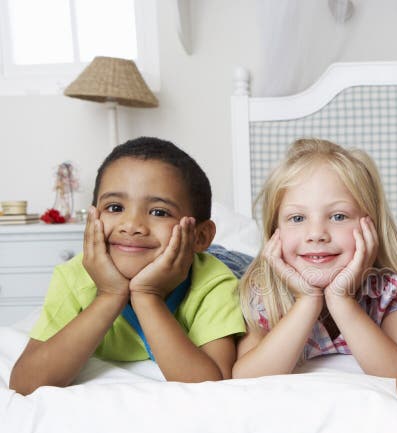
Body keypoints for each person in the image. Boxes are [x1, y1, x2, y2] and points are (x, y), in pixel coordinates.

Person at [10, 137, 245, 394]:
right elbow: (25, 383)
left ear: (200, 237)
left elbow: (213, 384)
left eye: (159, 212)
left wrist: (147, 295)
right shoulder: (74, 276)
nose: (131, 225)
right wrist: (110, 295)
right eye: (115, 207)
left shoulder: (214, 282)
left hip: (233, 262)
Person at [234, 138, 397, 378]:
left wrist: (341, 300)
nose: (316, 234)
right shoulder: (266, 290)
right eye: (297, 218)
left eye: (338, 216)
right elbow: (245, 378)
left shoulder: (390, 289)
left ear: (371, 226)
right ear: (275, 232)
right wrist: (307, 301)